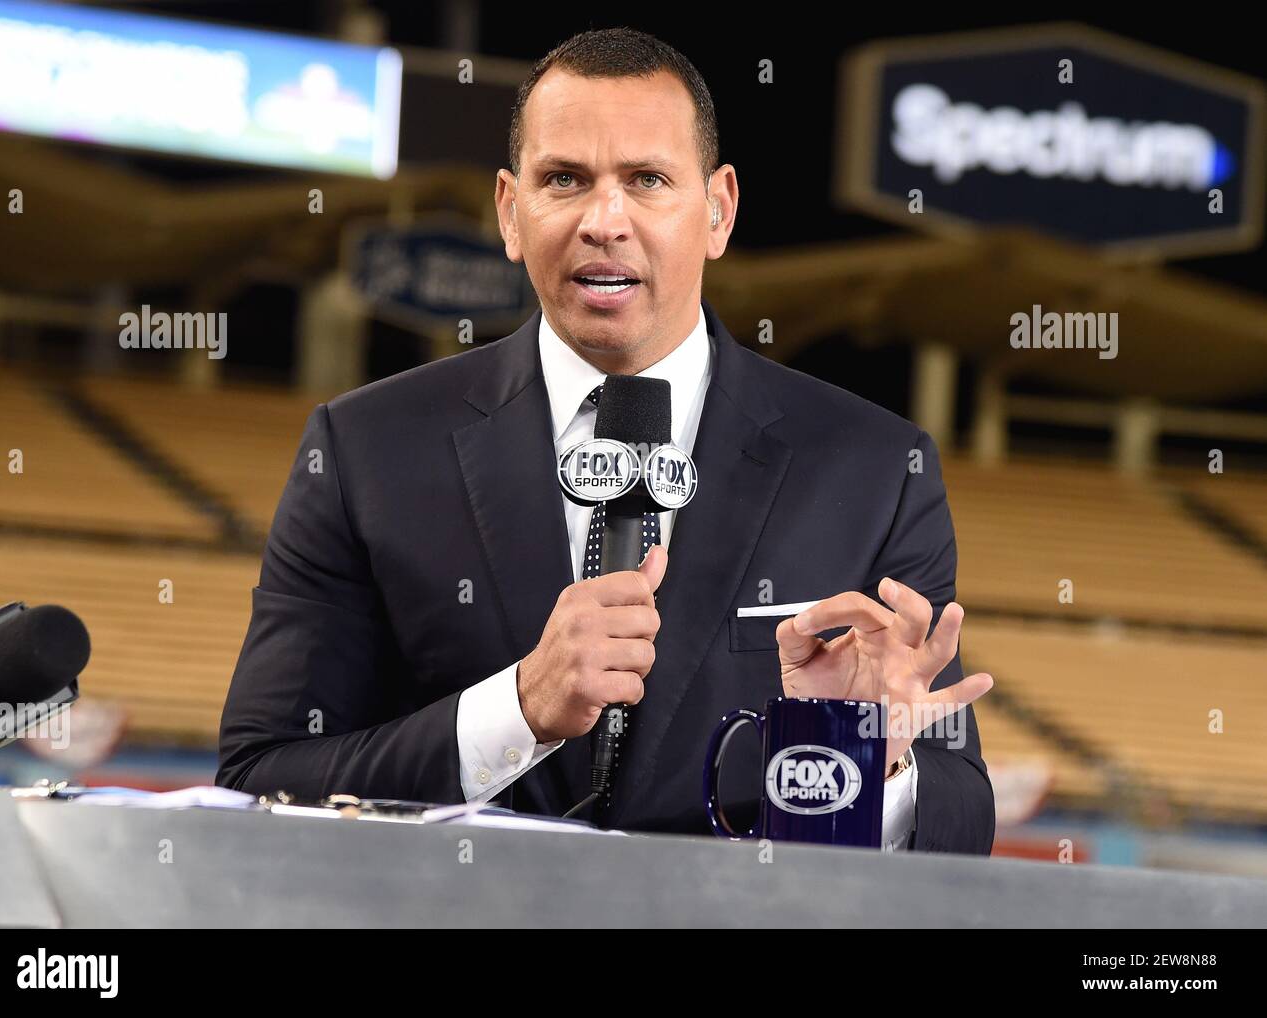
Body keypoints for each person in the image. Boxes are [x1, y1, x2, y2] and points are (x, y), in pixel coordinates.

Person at [217, 27, 996, 853]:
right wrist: (516, 710)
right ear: (511, 214)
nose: (604, 220)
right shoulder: (363, 450)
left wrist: (858, 754)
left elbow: (957, 822)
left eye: (648, 180)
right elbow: (262, 778)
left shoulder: (877, 468)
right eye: (564, 180)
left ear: (719, 211)